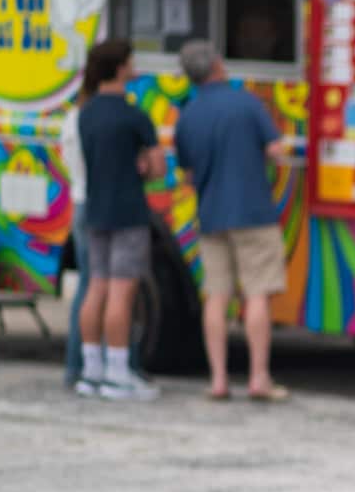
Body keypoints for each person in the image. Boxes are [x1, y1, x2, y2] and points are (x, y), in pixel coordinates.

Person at [174, 40, 292, 401]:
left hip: (210, 215)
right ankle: (258, 377)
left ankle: (219, 380)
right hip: (253, 212)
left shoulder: (188, 114)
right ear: (219, 65)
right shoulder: (246, 103)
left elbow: (188, 171)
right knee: (256, 294)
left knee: (217, 295)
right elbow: (275, 149)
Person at [76, 39, 164, 402]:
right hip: (128, 211)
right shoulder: (134, 116)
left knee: (95, 286)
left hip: (95, 210)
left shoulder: (86, 112)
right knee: (121, 293)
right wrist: (142, 168)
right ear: (120, 68)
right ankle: (117, 372)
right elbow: (157, 168)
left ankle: (90, 369)